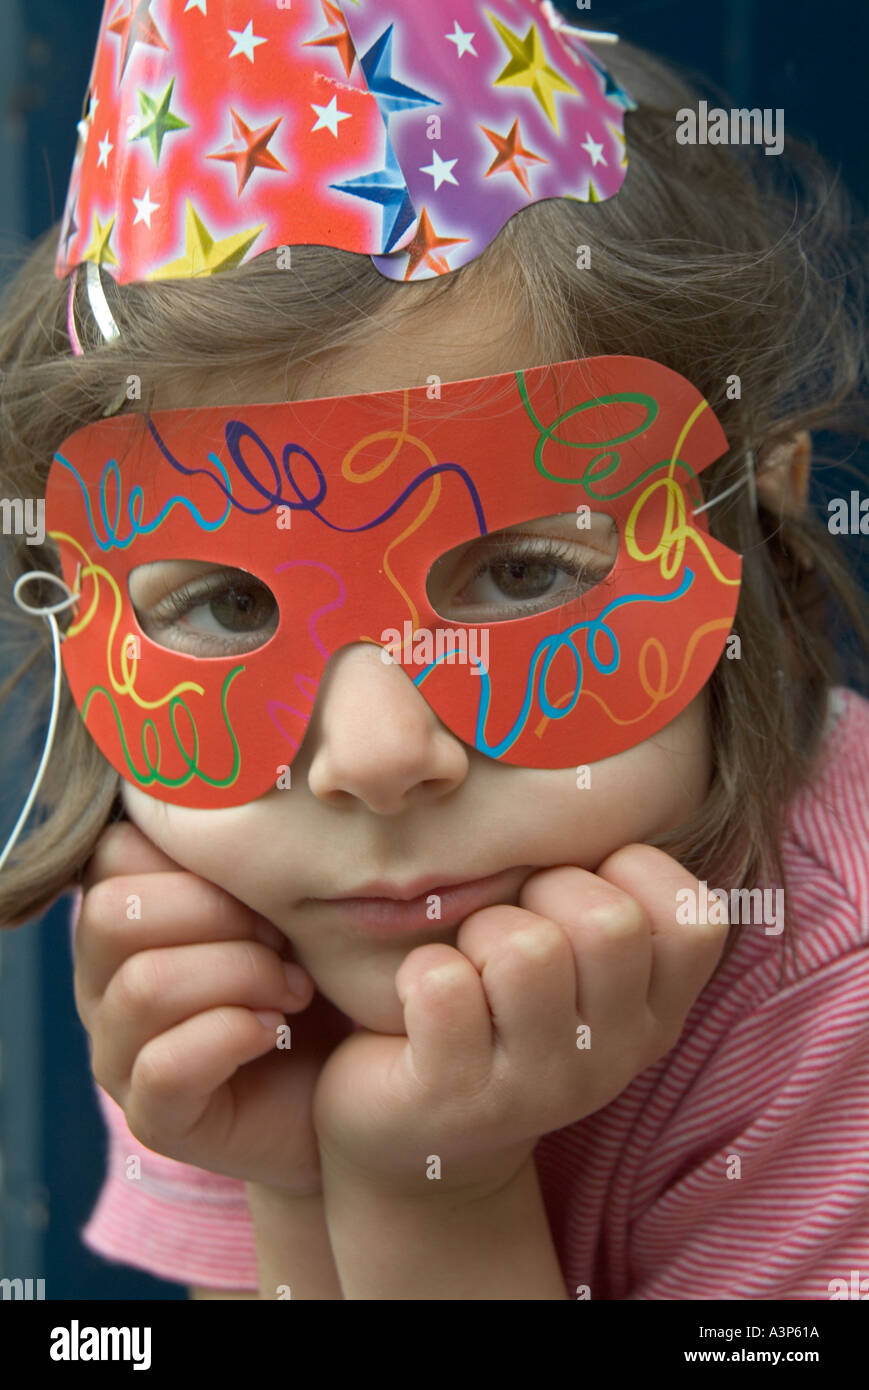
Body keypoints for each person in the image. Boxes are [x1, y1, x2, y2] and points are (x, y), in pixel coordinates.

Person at [0, 6, 867, 1300]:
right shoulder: (212, 941)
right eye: (231, 607)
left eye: (522, 574)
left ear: (762, 528)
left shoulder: (834, 983)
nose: (377, 758)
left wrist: (431, 1196)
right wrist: (298, 1177)